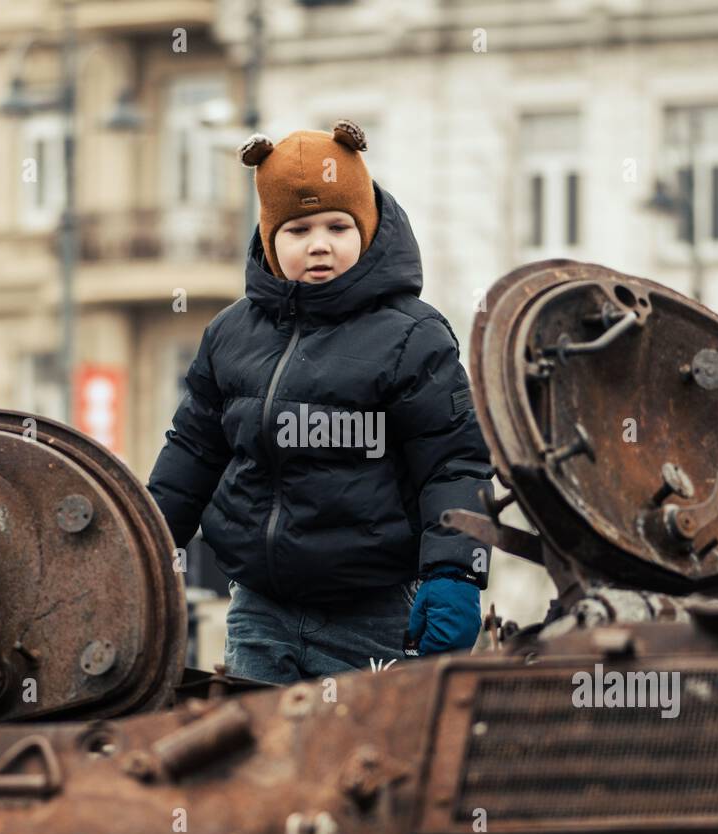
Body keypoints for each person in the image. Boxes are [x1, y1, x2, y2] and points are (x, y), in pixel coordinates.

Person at [148, 120, 493, 683]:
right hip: (261, 610)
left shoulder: (413, 336)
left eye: (338, 225)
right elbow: (191, 456)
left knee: (365, 762)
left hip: (375, 614)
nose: (319, 244)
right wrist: (138, 549)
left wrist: (455, 573)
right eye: (297, 229)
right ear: (268, 238)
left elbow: (454, 463)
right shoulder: (229, 335)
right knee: (257, 760)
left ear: (368, 227)